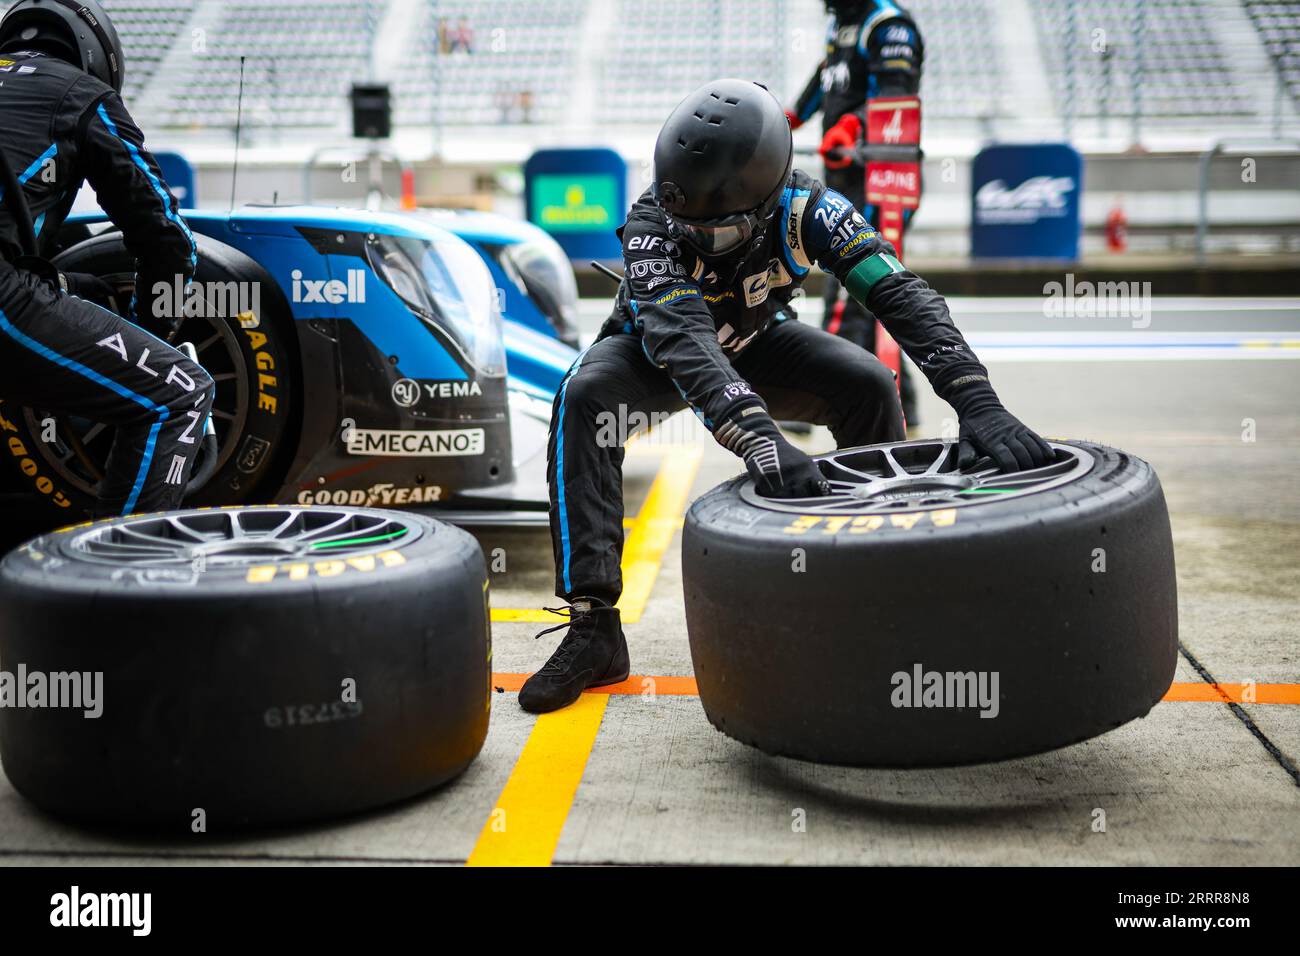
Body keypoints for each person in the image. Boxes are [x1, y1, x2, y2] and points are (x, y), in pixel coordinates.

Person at [521, 79, 1052, 714]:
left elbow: (900, 294)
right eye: (683, 226)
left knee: (865, 384)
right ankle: (593, 627)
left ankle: (882, 578)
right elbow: (686, 342)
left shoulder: (812, 210)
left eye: (713, 234)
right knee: (583, 397)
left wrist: (975, 397)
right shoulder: (651, 223)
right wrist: (758, 436)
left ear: (770, 199)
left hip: (756, 340)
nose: (694, 240)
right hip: (651, 351)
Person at [0, 0, 213, 517]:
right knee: (178, 396)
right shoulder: (80, 94)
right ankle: (123, 583)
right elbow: (164, 235)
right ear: (96, 56)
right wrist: (151, 330)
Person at [788, 0, 923, 425]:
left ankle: (819, 393)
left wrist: (853, 126)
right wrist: (794, 114)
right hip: (847, 178)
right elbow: (826, 79)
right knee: (877, 295)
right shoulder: (844, 22)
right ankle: (904, 404)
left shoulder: (888, 26)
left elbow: (897, 100)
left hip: (880, 181)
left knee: (852, 289)